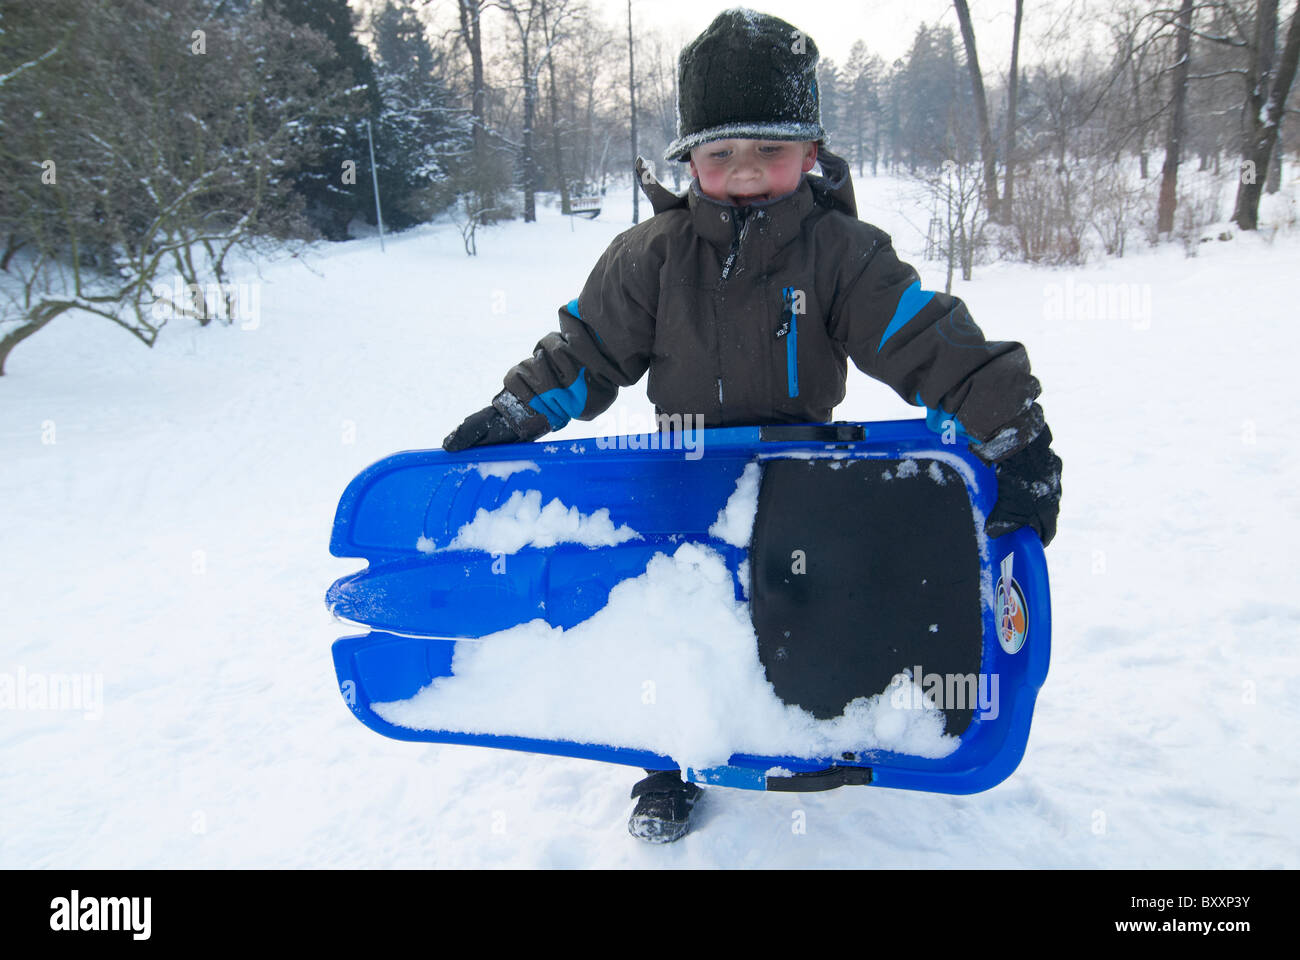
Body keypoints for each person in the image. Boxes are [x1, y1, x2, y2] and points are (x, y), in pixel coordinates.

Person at [442, 8, 1063, 844]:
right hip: (685, 472)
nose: (743, 174)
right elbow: (586, 351)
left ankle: (800, 722)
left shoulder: (842, 255)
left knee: (797, 604)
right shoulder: (651, 258)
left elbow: (925, 341)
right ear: (689, 157)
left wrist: (1012, 430)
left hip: (800, 477)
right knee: (675, 618)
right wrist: (523, 406)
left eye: (769, 152)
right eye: (720, 153)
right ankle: (668, 759)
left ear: (811, 153)